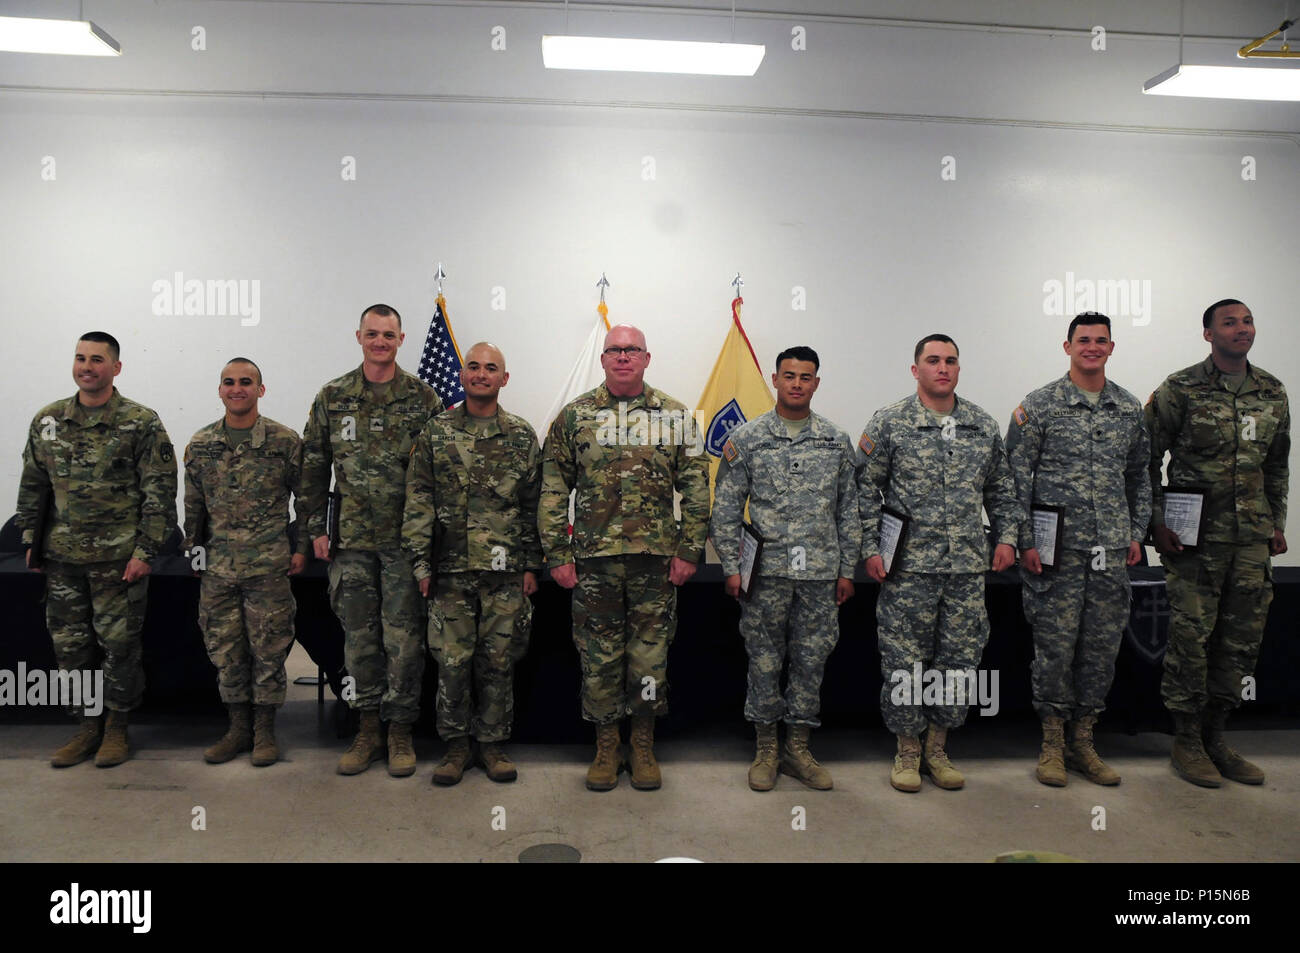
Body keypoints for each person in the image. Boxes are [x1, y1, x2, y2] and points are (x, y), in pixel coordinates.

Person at [540, 324, 710, 791]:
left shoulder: (674, 416)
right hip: (593, 561)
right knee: (598, 658)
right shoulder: (575, 417)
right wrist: (557, 553)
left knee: (650, 659)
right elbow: (553, 488)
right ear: (603, 359)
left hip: (655, 562)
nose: (622, 357)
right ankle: (606, 745)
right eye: (614, 349)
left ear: (646, 358)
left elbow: (696, 484)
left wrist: (689, 549)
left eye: (631, 349)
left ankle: (642, 744)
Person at [857, 333, 1020, 793]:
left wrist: (1007, 537)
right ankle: (908, 750)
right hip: (906, 568)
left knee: (959, 662)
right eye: (933, 360)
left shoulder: (981, 425)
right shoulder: (890, 423)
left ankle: (939, 747)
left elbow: (1002, 491)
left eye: (950, 360)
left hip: (967, 569)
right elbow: (864, 489)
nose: (942, 368)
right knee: (905, 662)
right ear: (916, 370)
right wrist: (870, 548)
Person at [17, 332, 177, 768]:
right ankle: (87, 727)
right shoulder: (48, 420)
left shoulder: (140, 422)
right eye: (81, 358)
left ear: (116, 368)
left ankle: (117, 730)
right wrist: (31, 541)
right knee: (71, 649)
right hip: (63, 560)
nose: (87, 366)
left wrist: (146, 550)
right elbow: (33, 486)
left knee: (119, 647)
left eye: (97, 360)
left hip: (118, 561)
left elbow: (159, 491)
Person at [1146, 298, 1289, 787]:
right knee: (1191, 639)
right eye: (1229, 322)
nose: (1242, 329)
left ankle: (1216, 736)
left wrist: (1277, 521)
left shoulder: (1272, 391)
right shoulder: (1180, 389)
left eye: (1247, 320)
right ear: (1208, 334)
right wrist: (1156, 522)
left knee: (1240, 643)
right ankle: (1186, 741)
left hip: (1250, 540)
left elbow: (1276, 466)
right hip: (1193, 543)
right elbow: (1145, 460)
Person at [1004, 313, 1150, 787]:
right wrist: (1025, 540)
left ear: (1112, 347)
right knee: (1054, 649)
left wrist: (1136, 531)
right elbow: (1013, 479)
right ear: (1066, 346)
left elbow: (1139, 475)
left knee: (1100, 651)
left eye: (1100, 341)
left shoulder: (1128, 408)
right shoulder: (1040, 406)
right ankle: (1051, 743)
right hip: (1056, 555)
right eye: (1083, 340)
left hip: (1109, 553)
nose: (1092, 347)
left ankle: (1084, 741)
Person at [300, 304, 443, 777]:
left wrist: (427, 544)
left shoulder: (424, 399)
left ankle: (400, 731)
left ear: (401, 340)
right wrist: (315, 528)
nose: (380, 341)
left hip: (405, 543)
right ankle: (367, 729)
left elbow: (435, 476)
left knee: (405, 642)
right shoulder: (333, 396)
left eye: (388, 334)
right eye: (372, 334)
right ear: (358, 336)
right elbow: (314, 468)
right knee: (359, 640)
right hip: (353, 541)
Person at [708, 346, 858, 791]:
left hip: (819, 576)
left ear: (816, 383)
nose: (796, 383)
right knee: (764, 661)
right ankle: (766, 747)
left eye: (805, 377)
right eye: (788, 375)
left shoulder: (835, 440)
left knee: (811, 662)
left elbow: (847, 510)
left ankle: (798, 747)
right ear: (774, 379)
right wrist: (732, 567)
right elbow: (727, 510)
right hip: (765, 576)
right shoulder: (748, 439)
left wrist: (846, 570)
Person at [402, 343, 541, 785]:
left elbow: (533, 504)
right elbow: (419, 498)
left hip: (505, 572)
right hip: (450, 570)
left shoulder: (520, 435)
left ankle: (493, 744)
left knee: (498, 660)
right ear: (462, 375)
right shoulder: (436, 431)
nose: (481, 374)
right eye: (474, 366)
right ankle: (456, 745)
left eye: (491, 368)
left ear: (505, 378)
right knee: (452, 662)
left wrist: (532, 566)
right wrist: (421, 564)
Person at [183, 358, 306, 766]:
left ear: (260, 389)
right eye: (229, 382)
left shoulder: (284, 442)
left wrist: (301, 547)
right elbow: (194, 506)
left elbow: (305, 503)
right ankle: (237, 728)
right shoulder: (201, 445)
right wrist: (194, 551)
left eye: (246, 382)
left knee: (268, 648)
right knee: (225, 650)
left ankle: (265, 731)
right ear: (220, 390)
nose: (238, 388)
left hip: (268, 566)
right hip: (217, 568)